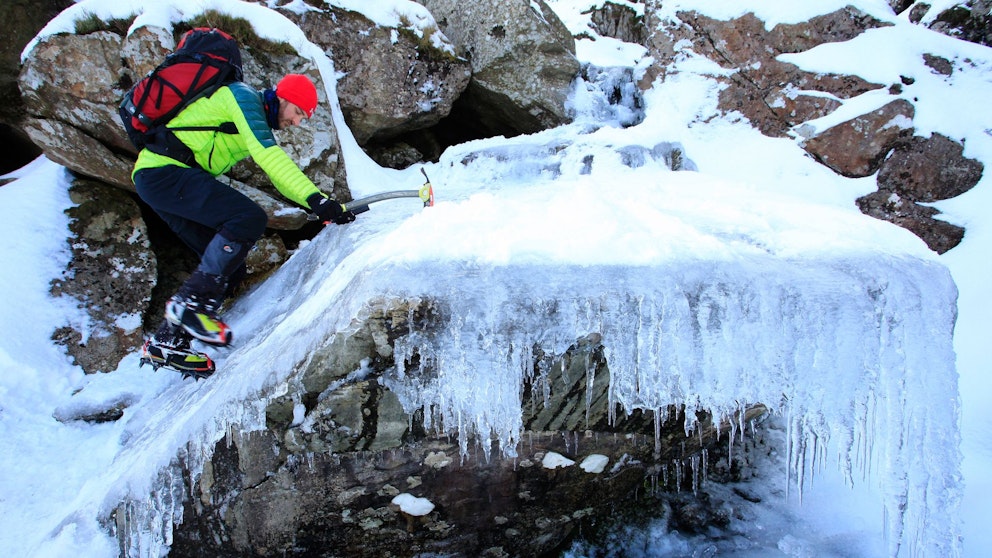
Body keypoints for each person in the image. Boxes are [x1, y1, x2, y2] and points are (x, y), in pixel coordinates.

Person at [133, 73, 354, 372]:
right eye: (298, 112)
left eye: (303, 118)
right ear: (283, 97)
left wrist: (322, 203)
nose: (297, 122)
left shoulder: (255, 118)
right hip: (162, 172)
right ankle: (189, 306)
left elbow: (276, 174)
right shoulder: (243, 98)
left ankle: (168, 341)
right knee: (248, 217)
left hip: (163, 181)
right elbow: (269, 157)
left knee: (231, 268)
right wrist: (316, 199)